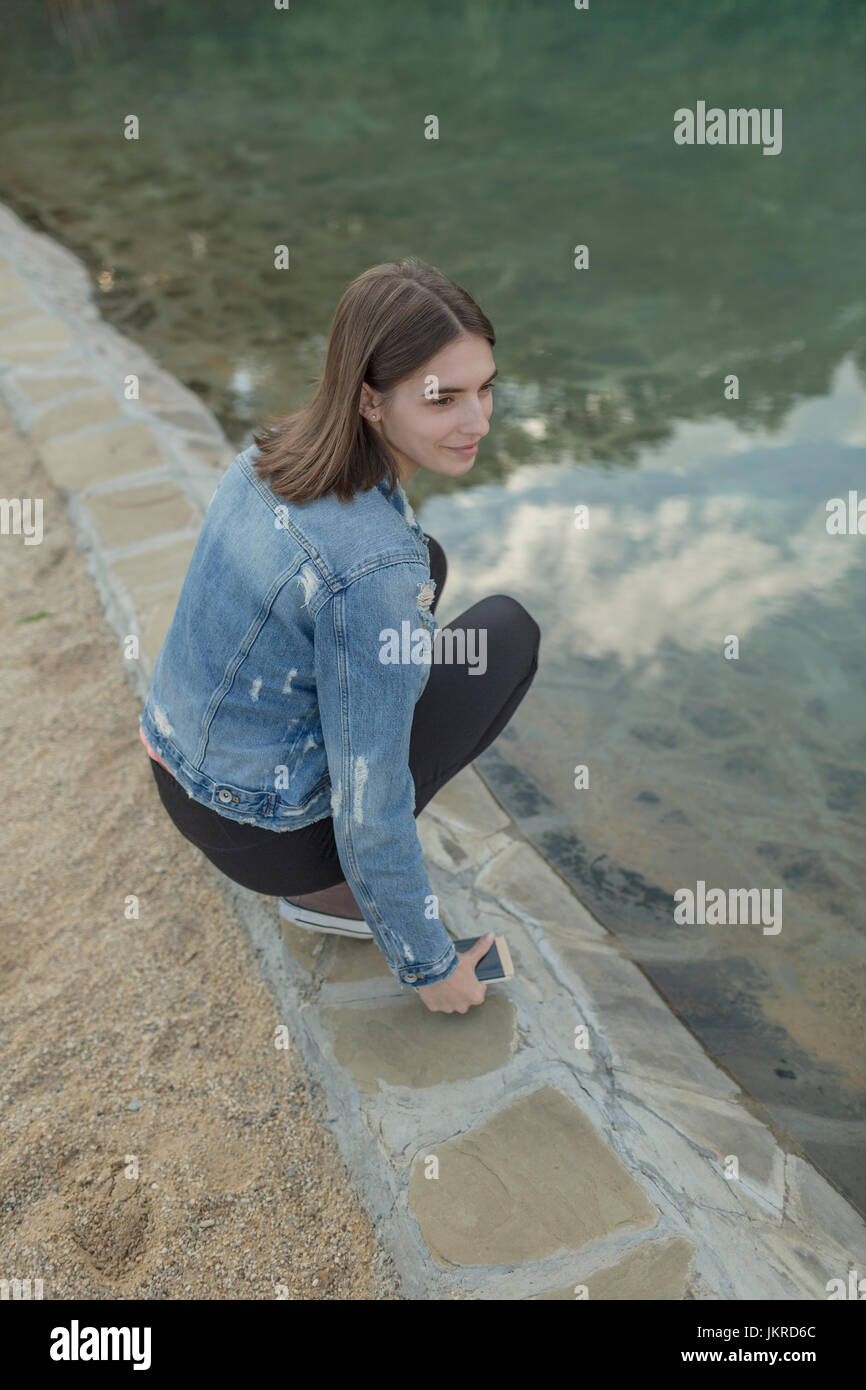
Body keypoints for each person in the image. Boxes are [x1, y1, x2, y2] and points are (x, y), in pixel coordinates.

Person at [139, 258, 540, 1014]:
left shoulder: (272, 451)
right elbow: (371, 799)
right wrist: (429, 967)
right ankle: (329, 895)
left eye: (485, 388)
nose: (478, 420)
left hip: (177, 770)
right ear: (371, 399)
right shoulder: (374, 570)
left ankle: (329, 859)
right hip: (268, 838)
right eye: (444, 399)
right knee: (505, 635)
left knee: (427, 567)